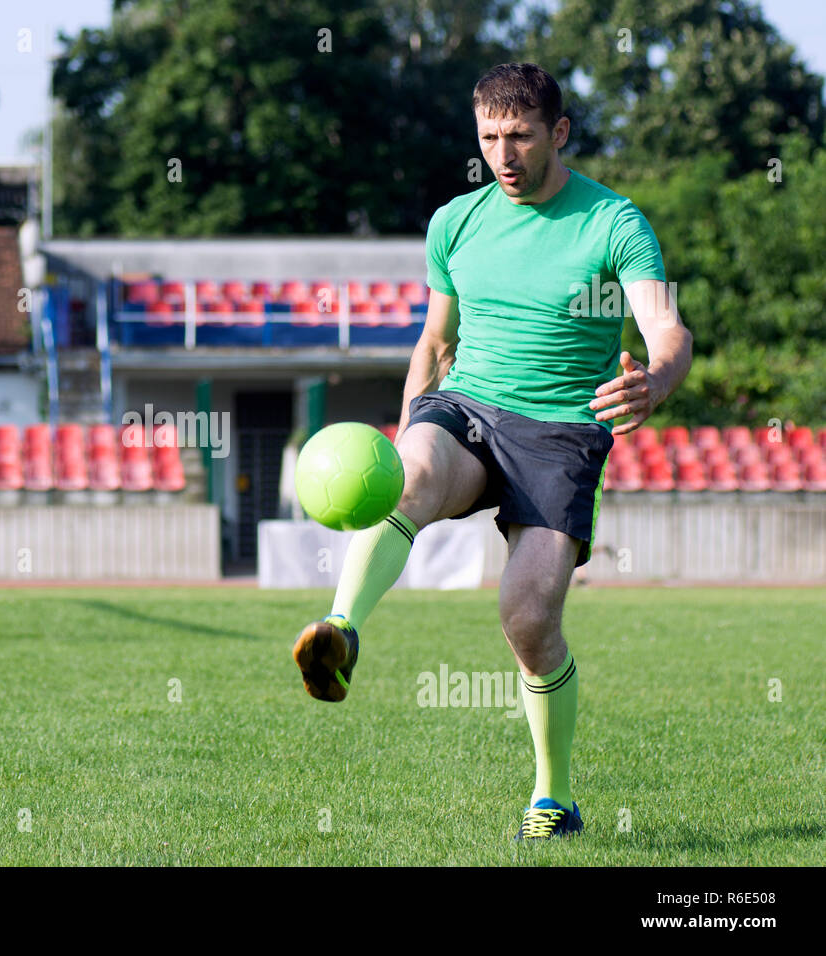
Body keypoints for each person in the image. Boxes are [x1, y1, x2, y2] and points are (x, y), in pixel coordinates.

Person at [291, 62, 693, 841]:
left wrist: (659, 380)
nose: (503, 154)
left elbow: (668, 331)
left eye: (520, 136)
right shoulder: (456, 222)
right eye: (488, 138)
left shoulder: (613, 223)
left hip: (560, 434)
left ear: (559, 133)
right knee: (412, 474)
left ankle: (554, 799)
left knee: (529, 619)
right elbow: (436, 343)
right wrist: (411, 431)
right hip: (468, 405)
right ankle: (341, 631)